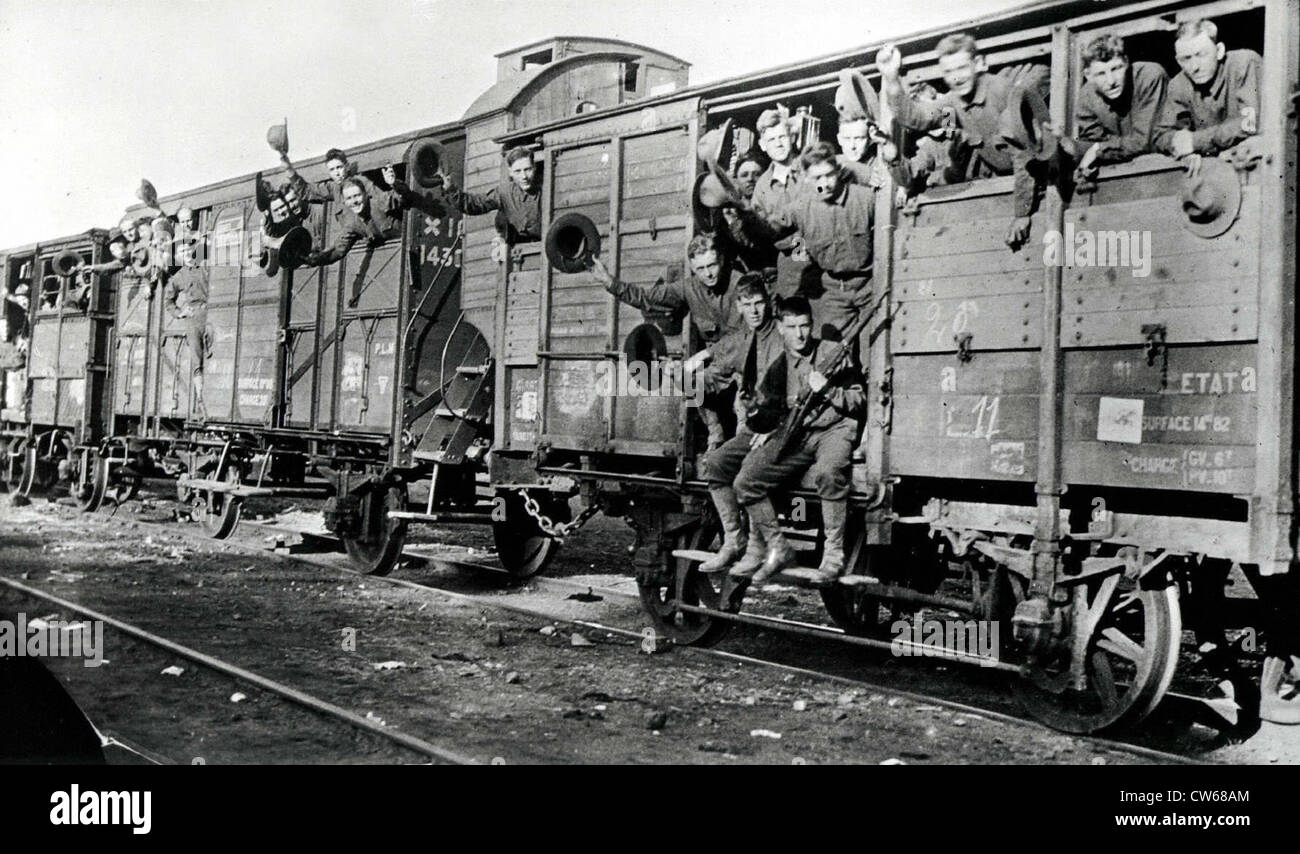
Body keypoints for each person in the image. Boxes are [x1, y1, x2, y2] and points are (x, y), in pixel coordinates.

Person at [725, 296, 865, 584]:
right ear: (780, 328)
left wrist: (827, 390)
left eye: (805, 326)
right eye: (792, 327)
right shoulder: (781, 366)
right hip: (799, 433)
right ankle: (778, 546)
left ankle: (834, 556)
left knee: (829, 472)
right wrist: (756, 416)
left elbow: (858, 399)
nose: (800, 334)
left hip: (833, 430)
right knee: (746, 480)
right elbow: (768, 410)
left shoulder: (833, 354)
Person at [877, 33, 1051, 247]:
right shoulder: (951, 104)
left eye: (961, 68)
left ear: (979, 64)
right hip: (1010, 187)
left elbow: (1023, 156)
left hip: (1038, 182)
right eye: (948, 72)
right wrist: (891, 78)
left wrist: (1022, 213)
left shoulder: (1003, 92)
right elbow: (918, 118)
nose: (956, 78)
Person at [692, 274, 786, 572]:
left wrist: (774, 426)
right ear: (740, 308)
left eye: (759, 303)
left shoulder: (781, 337)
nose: (755, 311)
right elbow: (722, 359)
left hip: (783, 427)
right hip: (754, 429)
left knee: (750, 472)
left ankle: (758, 549)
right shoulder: (744, 337)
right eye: (748, 305)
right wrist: (688, 375)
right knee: (715, 464)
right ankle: (734, 541)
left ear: (768, 303)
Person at [741, 142, 875, 339]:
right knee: (832, 351)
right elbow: (768, 229)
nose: (825, 183)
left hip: (868, 287)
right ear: (806, 179)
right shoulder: (800, 208)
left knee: (872, 353)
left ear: (838, 171)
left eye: (829, 174)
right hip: (833, 291)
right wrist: (745, 217)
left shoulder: (866, 199)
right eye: (817, 177)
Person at [588, 233, 744, 346]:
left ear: (721, 261)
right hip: (718, 365)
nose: (708, 274)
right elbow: (647, 298)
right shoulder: (688, 287)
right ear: (693, 268)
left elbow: (741, 339)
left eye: (711, 265)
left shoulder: (739, 283)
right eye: (700, 268)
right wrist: (610, 282)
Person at [1153, 18, 1261, 174]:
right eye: (1186, 59)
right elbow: (1162, 135)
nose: (1195, 67)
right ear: (1178, 60)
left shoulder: (1244, 64)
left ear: (1219, 51)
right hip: (1214, 175)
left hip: (1252, 167)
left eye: (1201, 55)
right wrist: (1185, 152)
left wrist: (1195, 142)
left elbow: (1250, 123)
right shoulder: (1178, 85)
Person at [1072, 33, 1169, 179]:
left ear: (1126, 62)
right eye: (1100, 74)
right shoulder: (1086, 99)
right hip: (1122, 175)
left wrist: (1099, 150)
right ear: (1088, 75)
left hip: (1163, 168)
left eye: (1116, 69)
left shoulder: (1150, 76)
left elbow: (1146, 142)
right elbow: (1092, 143)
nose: (1111, 81)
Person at [304, 177, 449, 268]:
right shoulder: (352, 224)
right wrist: (316, 260)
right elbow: (338, 251)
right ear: (345, 202)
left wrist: (395, 184)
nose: (354, 201)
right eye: (349, 199)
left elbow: (403, 197)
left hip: (424, 243)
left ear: (366, 195)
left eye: (357, 196)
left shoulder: (379, 202)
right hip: (395, 263)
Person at [439, 146, 542, 265]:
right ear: (510, 172)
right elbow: (475, 204)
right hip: (523, 257)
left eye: (528, 169)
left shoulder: (547, 188)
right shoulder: (504, 192)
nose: (524, 176)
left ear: (534, 167)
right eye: (518, 171)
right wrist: (451, 190)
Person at [750, 107, 807, 298]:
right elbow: (760, 232)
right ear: (763, 145)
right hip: (790, 262)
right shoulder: (762, 188)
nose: (778, 144)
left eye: (782, 137)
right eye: (771, 140)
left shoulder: (811, 168)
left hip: (822, 254)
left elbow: (826, 194)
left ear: (791, 137)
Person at [281, 147, 382, 221]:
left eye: (339, 167)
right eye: (332, 170)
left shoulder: (362, 182)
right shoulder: (334, 188)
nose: (337, 173)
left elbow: (381, 201)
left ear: (346, 166)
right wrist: (289, 168)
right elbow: (306, 190)